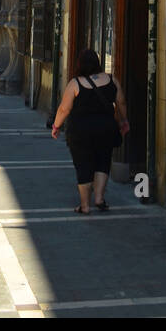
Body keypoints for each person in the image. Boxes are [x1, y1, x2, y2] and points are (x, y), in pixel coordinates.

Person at [51, 48, 130, 213]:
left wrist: (56, 126)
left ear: (79, 64)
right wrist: (124, 121)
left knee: (83, 164)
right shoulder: (111, 80)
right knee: (103, 161)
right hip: (106, 128)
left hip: (81, 132)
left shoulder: (75, 83)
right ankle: (99, 198)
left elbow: (64, 109)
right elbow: (121, 103)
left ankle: (85, 205)